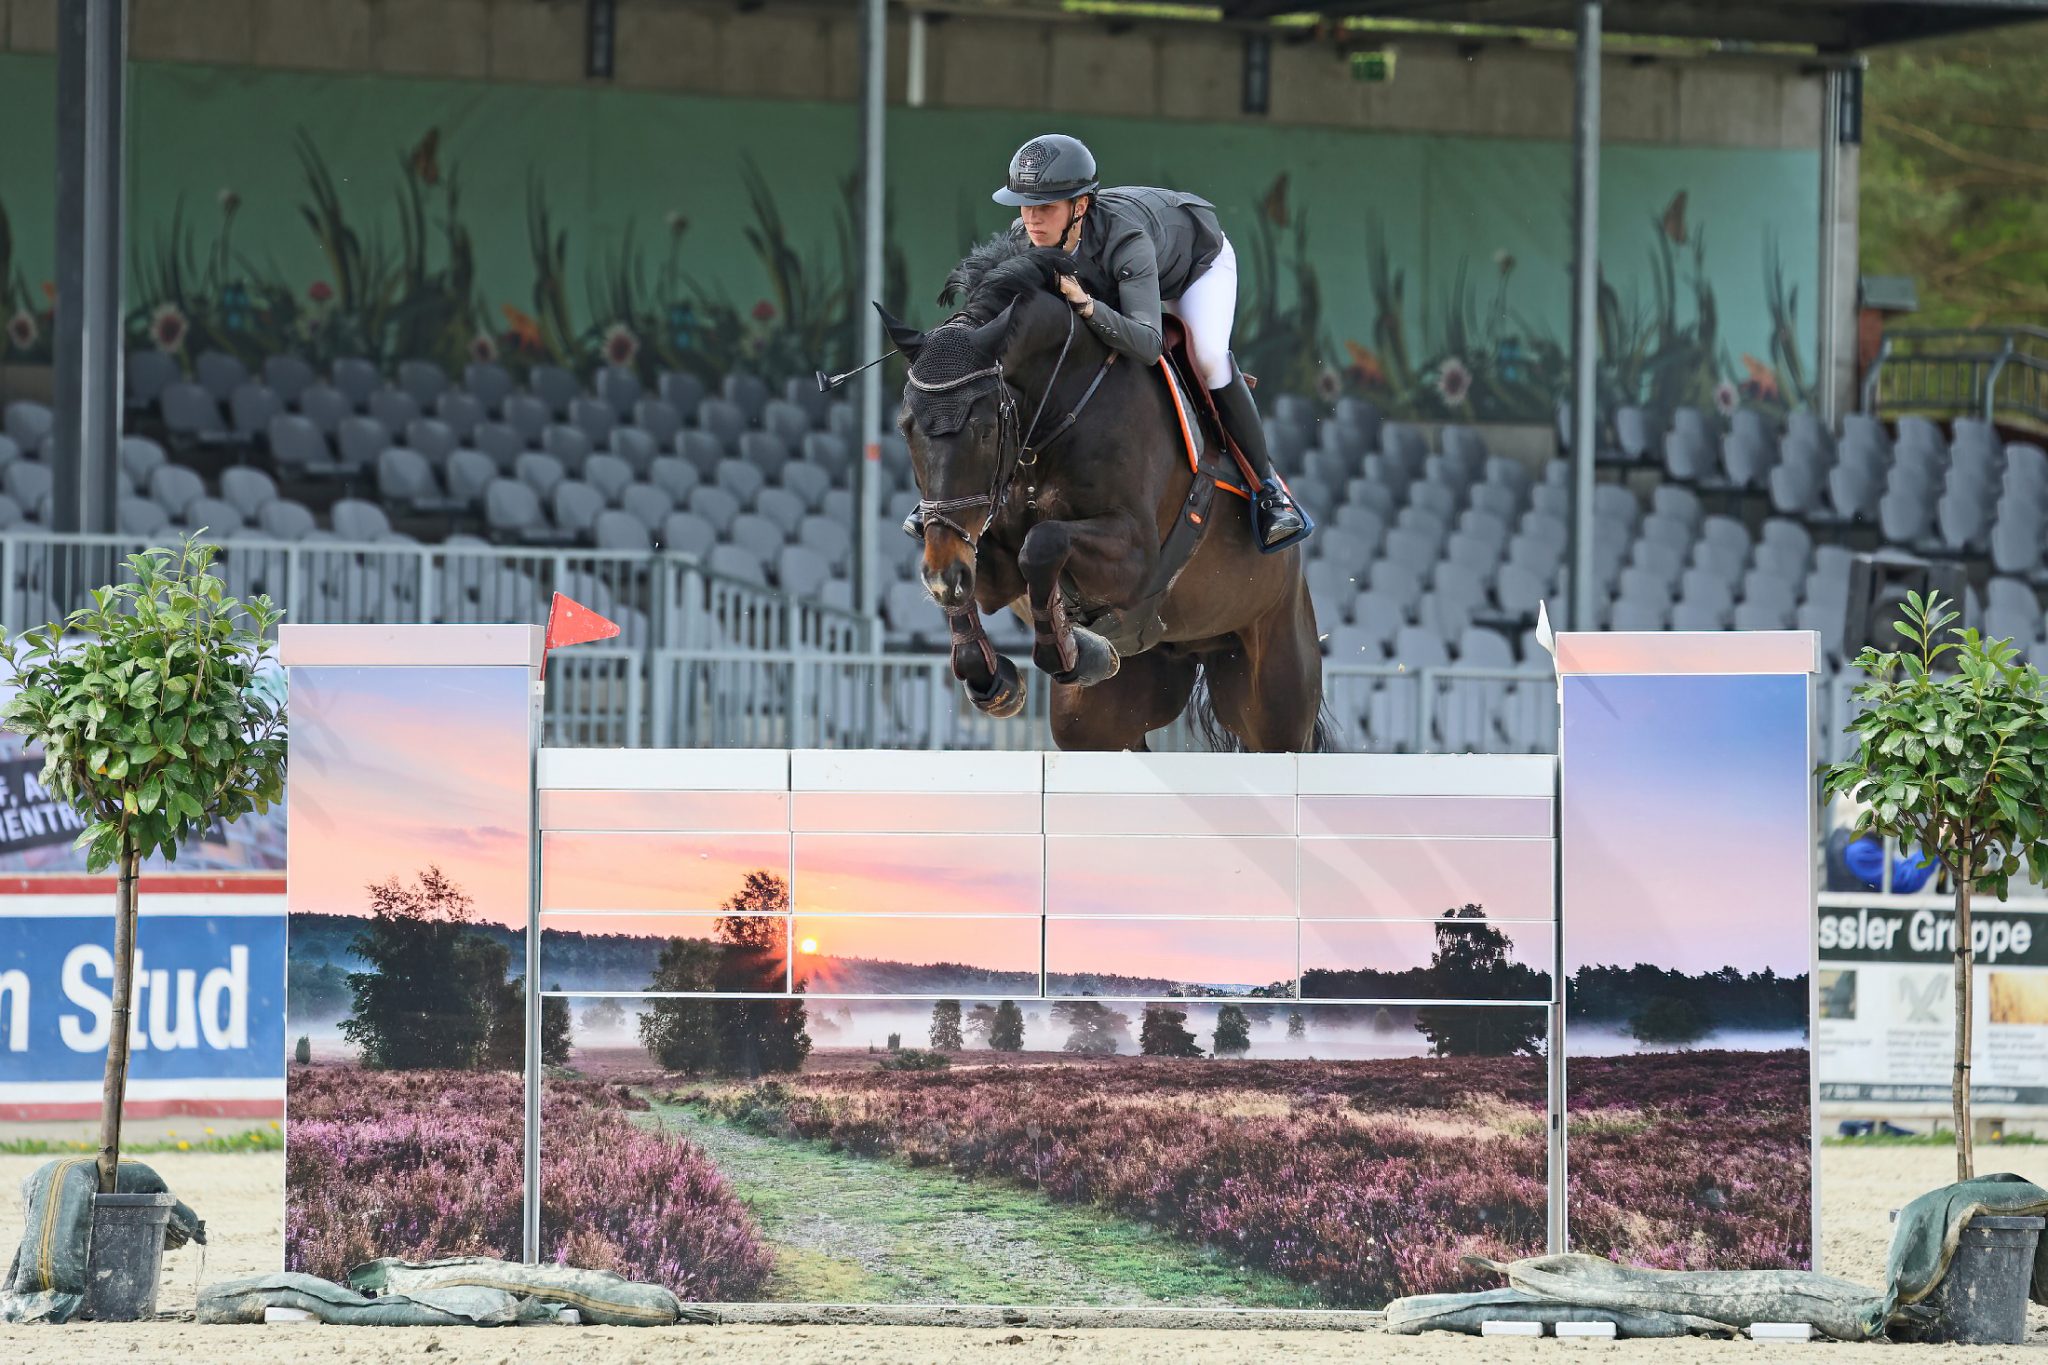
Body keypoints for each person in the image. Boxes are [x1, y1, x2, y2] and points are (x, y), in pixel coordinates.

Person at [904, 133, 1312, 553]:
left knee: (1208, 358)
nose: (1032, 220)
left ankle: (1269, 492)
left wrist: (1087, 306)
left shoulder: (1126, 240)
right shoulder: (1027, 238)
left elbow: (1149, 344)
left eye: (1045, 208)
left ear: (1079, 207)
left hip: (1193, 267)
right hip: (1125, 280)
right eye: (1024, 206)